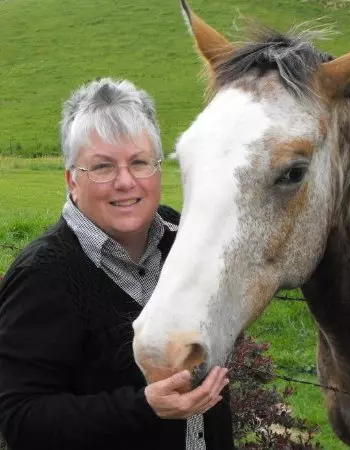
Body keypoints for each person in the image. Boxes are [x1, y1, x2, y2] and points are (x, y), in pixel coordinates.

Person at [0, 78, 234, 450]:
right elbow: (20, 419)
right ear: (72, 180)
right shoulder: (42, 275)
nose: (125, 182)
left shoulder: (185, 243)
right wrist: (142, 406)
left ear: (158, 171)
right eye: (103, 167)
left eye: (140, 162)